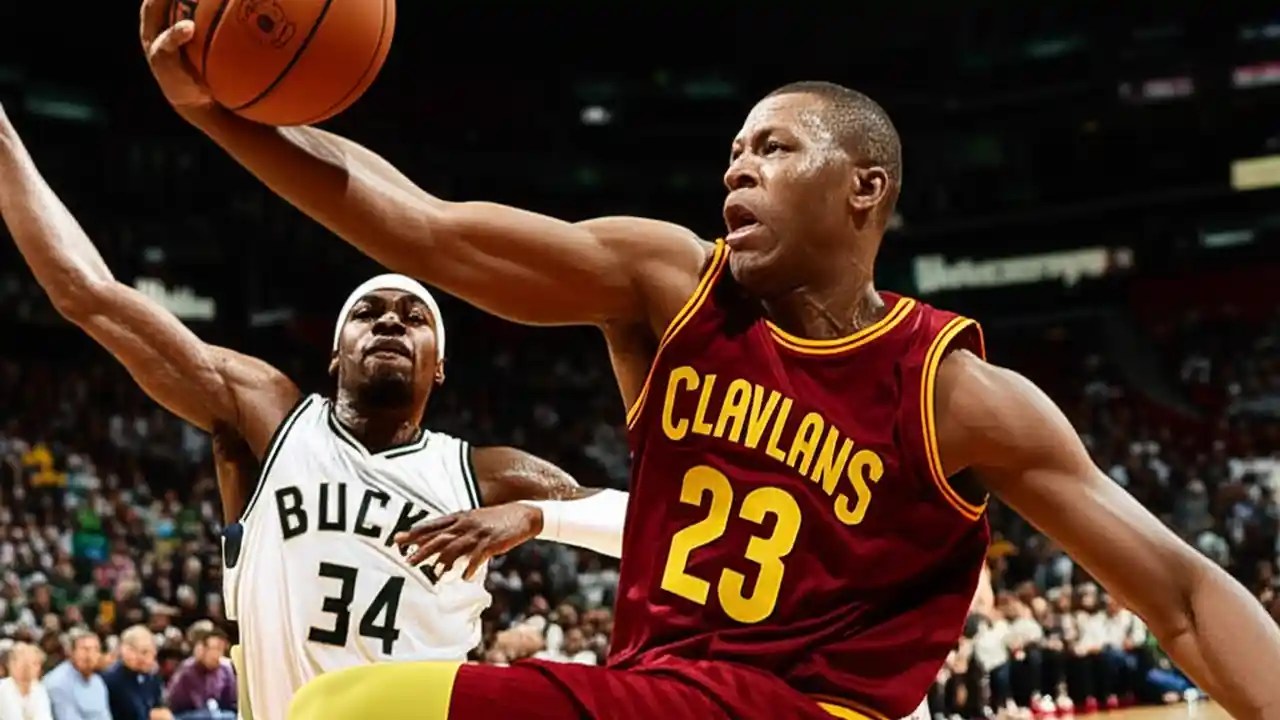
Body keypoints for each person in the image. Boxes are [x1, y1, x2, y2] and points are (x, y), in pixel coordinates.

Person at [140, 4, 1280, 718]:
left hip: (800, 711)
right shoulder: (665, 289)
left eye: (773, 148)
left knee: (348, 712)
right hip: (654, 690)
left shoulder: (957, 392)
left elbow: (1178, 594)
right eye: (730, 151)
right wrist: (225, 117)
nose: (734, 169)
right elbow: (425, 231)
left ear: (863, 189)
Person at [0, 103, 625, 720]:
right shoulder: (269, 416)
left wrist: (538, 514)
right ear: (335, 354)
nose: (388, 321)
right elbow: (88, 293)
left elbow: (652, 528)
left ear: (438, 366)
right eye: (367, 312)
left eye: (413, 318)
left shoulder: (487, 475)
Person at [165, 621, 237, 720]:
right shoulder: (186, 671)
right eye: (214, 649)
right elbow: (172, 706)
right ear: (201, 649)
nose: (217, 655)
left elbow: (232, 705)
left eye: (221, 650)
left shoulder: (225, 669)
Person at [100, 626, 171, 720]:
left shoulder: (152, 675)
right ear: (127, 651)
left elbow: (159, 706)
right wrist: (150, 716)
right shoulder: (111, 679)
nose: (151, 657)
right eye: (145, 652)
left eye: (153, 651)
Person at [42, 629, 109, 720]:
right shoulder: (58, 682)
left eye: (95, 649)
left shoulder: (98, 682)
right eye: (85, 649)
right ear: (71, 652)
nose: (90, 655)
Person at [0, 642, 53, 720]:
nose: (39, 669)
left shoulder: (39, 688)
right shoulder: (3, 689)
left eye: (39, 664)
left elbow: (45, 717)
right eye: (34, 664)